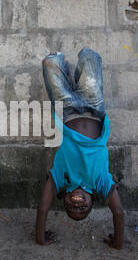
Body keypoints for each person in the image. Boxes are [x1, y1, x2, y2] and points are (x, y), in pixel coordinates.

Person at [35, 49, 124, 249]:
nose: (77, 204)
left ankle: (57, 58)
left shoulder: (59, 179)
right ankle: (84, 57)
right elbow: (118, 212)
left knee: (50, 65)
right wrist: (118, 242)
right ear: (92, 201)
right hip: (94, 109)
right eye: (83, 209)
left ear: (64, 198)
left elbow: (43, 208)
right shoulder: (100, 182)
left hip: (66, 113)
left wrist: (39, 237)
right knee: (89, 59)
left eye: (71, 207)